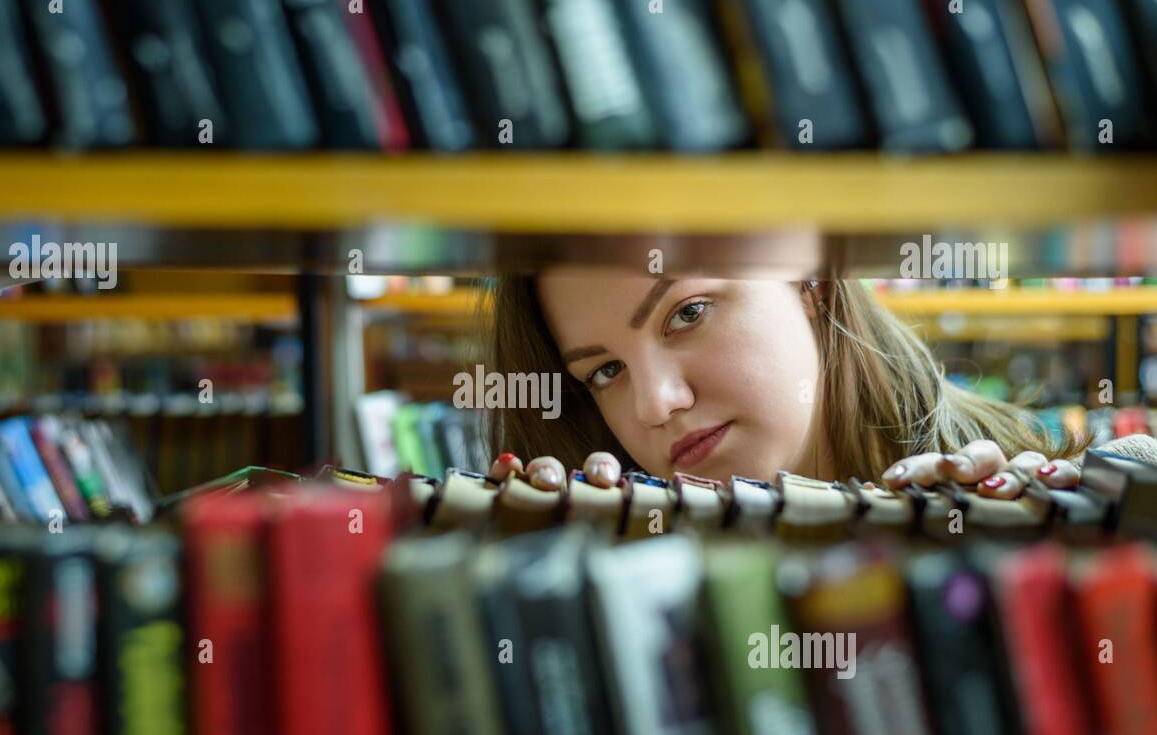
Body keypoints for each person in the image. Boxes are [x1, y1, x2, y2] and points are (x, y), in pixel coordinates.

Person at [483, 271, 1157, 494]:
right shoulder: (625, 561)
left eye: (687, 313)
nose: (655, 404)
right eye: (605, 371)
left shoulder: (1054, 490)